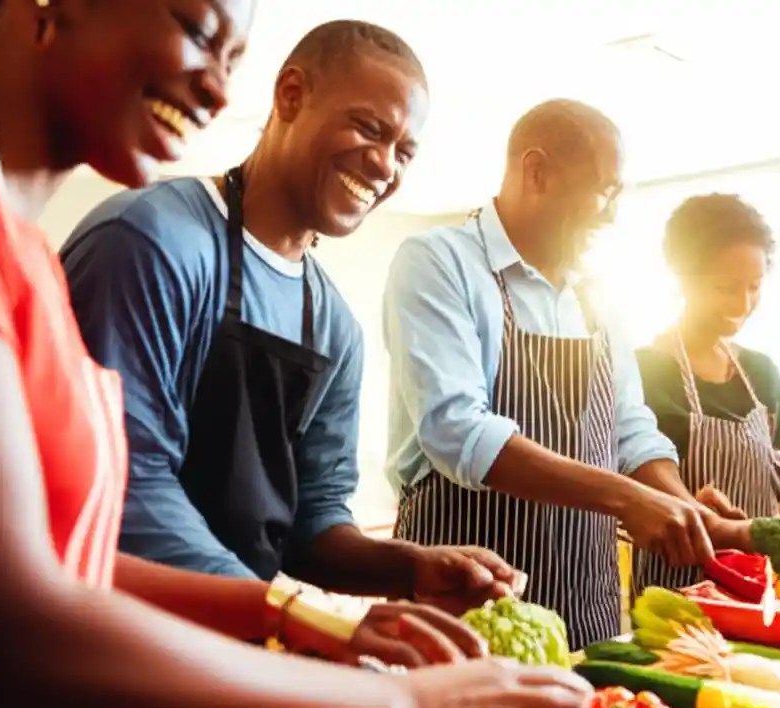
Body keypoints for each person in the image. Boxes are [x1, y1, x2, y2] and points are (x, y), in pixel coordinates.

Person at [0, 2, 590, 708]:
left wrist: (307, 613)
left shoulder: (21, 255)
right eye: (199, 33)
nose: (219, 92)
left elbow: (71, 562)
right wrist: (398, 704)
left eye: (232, 62)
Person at [59, 20, 518, 619]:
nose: (384, 165)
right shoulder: (150, 241)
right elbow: (124, 485)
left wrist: (408, 567)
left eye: (404, 152)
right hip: (109, 636)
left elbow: (313, 522)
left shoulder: (334, 327)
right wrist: (297, 615)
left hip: (241, 638)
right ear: (291, 96)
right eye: (370, 128)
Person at [383, 99, 717, 649]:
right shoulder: (438, 261)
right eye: (604, 191)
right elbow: (456, 431)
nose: (611, 213)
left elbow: (630, 429)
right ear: (536, 171)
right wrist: (626, 498)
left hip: (590, 607)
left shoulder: (597, 294)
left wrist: (684, 509)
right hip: (470, 607)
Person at [632, 194, 780, 594]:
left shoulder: (761, 373)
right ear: (683, 279)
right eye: (725, 288)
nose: (742, 304)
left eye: (754, 287)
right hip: (680, 586)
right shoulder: (643, 372)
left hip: (763, 584)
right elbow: (633, 491)